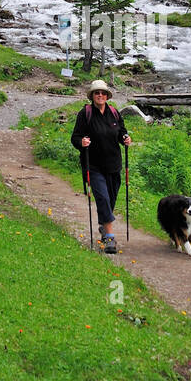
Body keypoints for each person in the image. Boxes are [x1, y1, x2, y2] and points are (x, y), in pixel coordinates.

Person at [71, 80, 131, 253]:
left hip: (114, 165)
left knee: (110, 199)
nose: (100, 95)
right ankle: (110, 238)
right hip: (93, 165)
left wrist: (125, 138)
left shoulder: (114, 112)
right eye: (97, 93)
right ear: (92, 96)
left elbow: (121, 132)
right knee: (103, 198)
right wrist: (81, 142)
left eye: (103, 93)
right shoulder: (86, 114)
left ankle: (104, 227)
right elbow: (75, 137)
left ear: (107, 96)